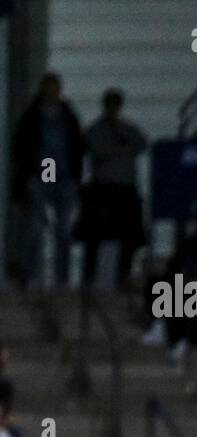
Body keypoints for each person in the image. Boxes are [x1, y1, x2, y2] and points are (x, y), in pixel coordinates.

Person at [9, 73, 83, 290]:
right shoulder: (32, 115)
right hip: (44, 171)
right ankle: (33, 274)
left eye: (56, 88)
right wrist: (29, 175)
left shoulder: (67, 114)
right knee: (36, 227)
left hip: (63, 175)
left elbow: (76, 144)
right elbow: (21, 146)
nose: (54, 92)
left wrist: (75, 175)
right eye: (50, 88)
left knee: (63, 230)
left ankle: (62, 278)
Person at [79, 88, 147, 290]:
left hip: (126, 189)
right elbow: (98, 150)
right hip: (104, 189)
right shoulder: (95, 129)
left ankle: (123, 275)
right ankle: (89, 278)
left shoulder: (127, 128)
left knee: (129, 236)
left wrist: (121, 138)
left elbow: (142, 143)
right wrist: (120, 148)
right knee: (95, 236)